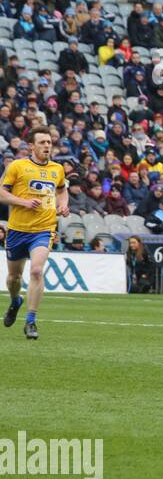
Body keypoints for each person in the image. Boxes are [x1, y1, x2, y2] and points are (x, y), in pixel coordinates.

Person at [1, 128, 70, 339]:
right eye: (42, 142)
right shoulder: (18, 166)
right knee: (14, 277)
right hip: (17, 229)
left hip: (44, 228)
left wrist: (64, 205)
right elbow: (2, 193)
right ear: (31, 145)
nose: (47, 146)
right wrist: (23, 202)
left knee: (37, 271)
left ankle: (31, 321)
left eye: (49, 142)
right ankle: (15, 301)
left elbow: (61, 189)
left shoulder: (57, 168)